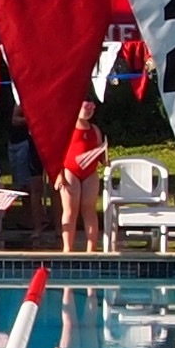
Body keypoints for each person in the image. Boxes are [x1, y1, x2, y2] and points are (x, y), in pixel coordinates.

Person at [54, 99, 109, 252]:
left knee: (89, 209)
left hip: (89, 172)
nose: (90, 110)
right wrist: (59, 175)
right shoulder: (68, 127)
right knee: (70, 210)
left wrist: (105, 159)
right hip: (69, 170)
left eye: (92, 108)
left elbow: (100, 154)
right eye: (86, 107)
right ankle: (67, 248)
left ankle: (91, 248)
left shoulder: (94, 129)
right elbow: (57, 153)